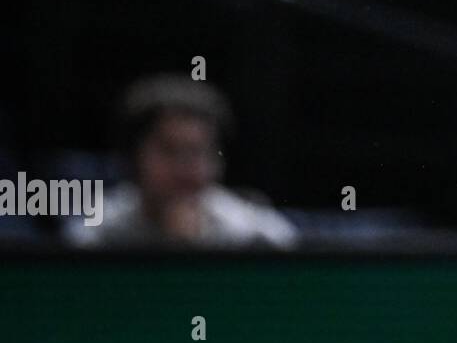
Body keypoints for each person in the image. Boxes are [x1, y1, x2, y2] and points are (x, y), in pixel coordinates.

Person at [63, 74, 297, 249]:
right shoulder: (96, 233)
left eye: (198, 151)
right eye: (170, 150)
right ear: (132, 157)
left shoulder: (254, 233)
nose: (186, 166)